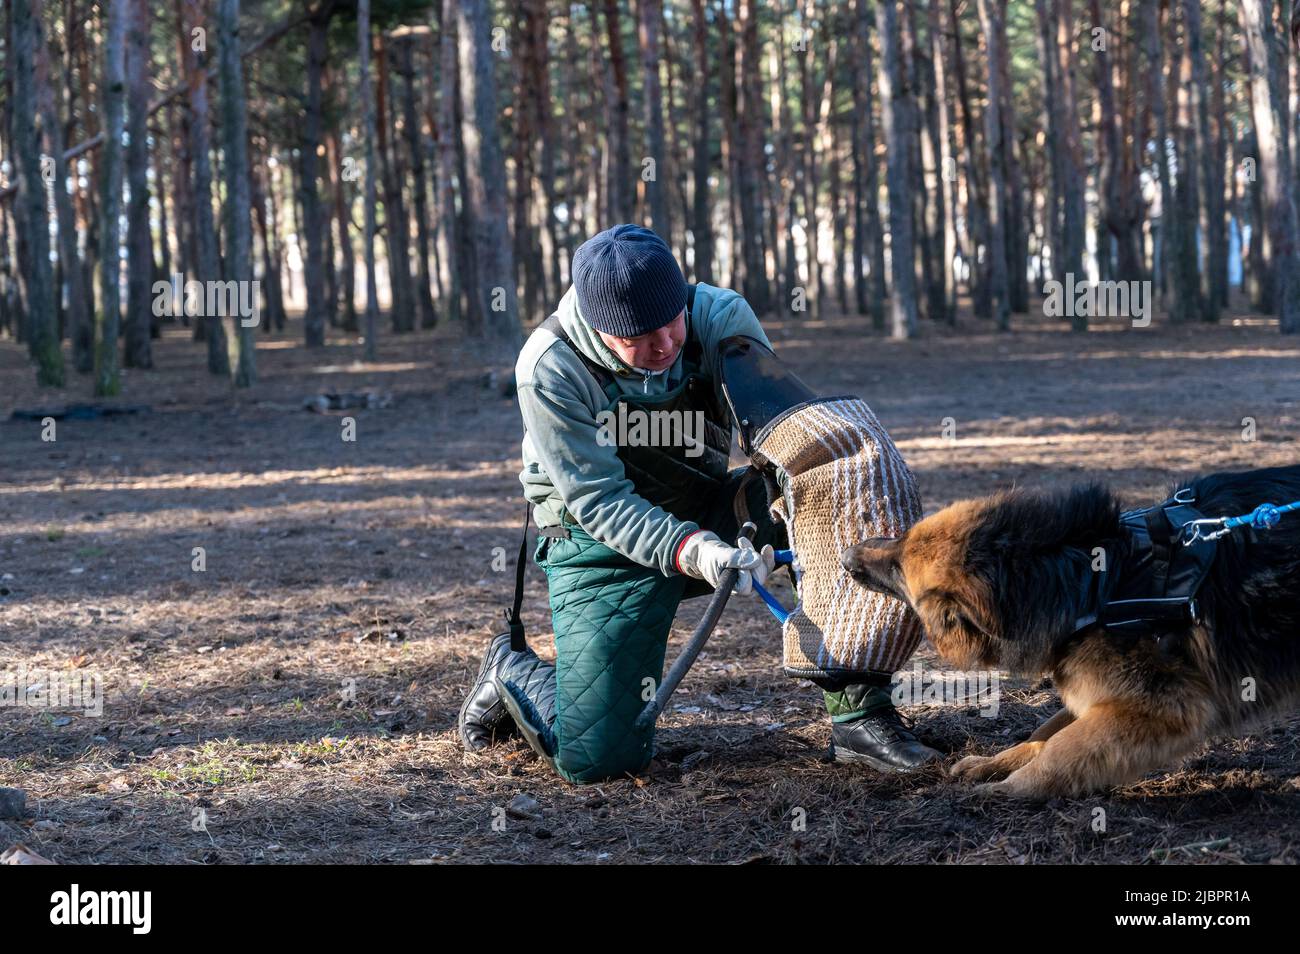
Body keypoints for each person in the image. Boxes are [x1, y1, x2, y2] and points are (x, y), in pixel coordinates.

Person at [458, 223, 939, 783]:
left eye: (671, 324)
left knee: (834, 489)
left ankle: (859, 714)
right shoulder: (550, 367)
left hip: (708, 504)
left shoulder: (719, 318)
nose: (663, 345)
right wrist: (695, 550)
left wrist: (804, 514)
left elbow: (782, 438)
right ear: (598, 327)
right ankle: (513, 671)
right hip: (597, 547)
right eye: (638, 336)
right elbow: (598, 500)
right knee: (600, 759)